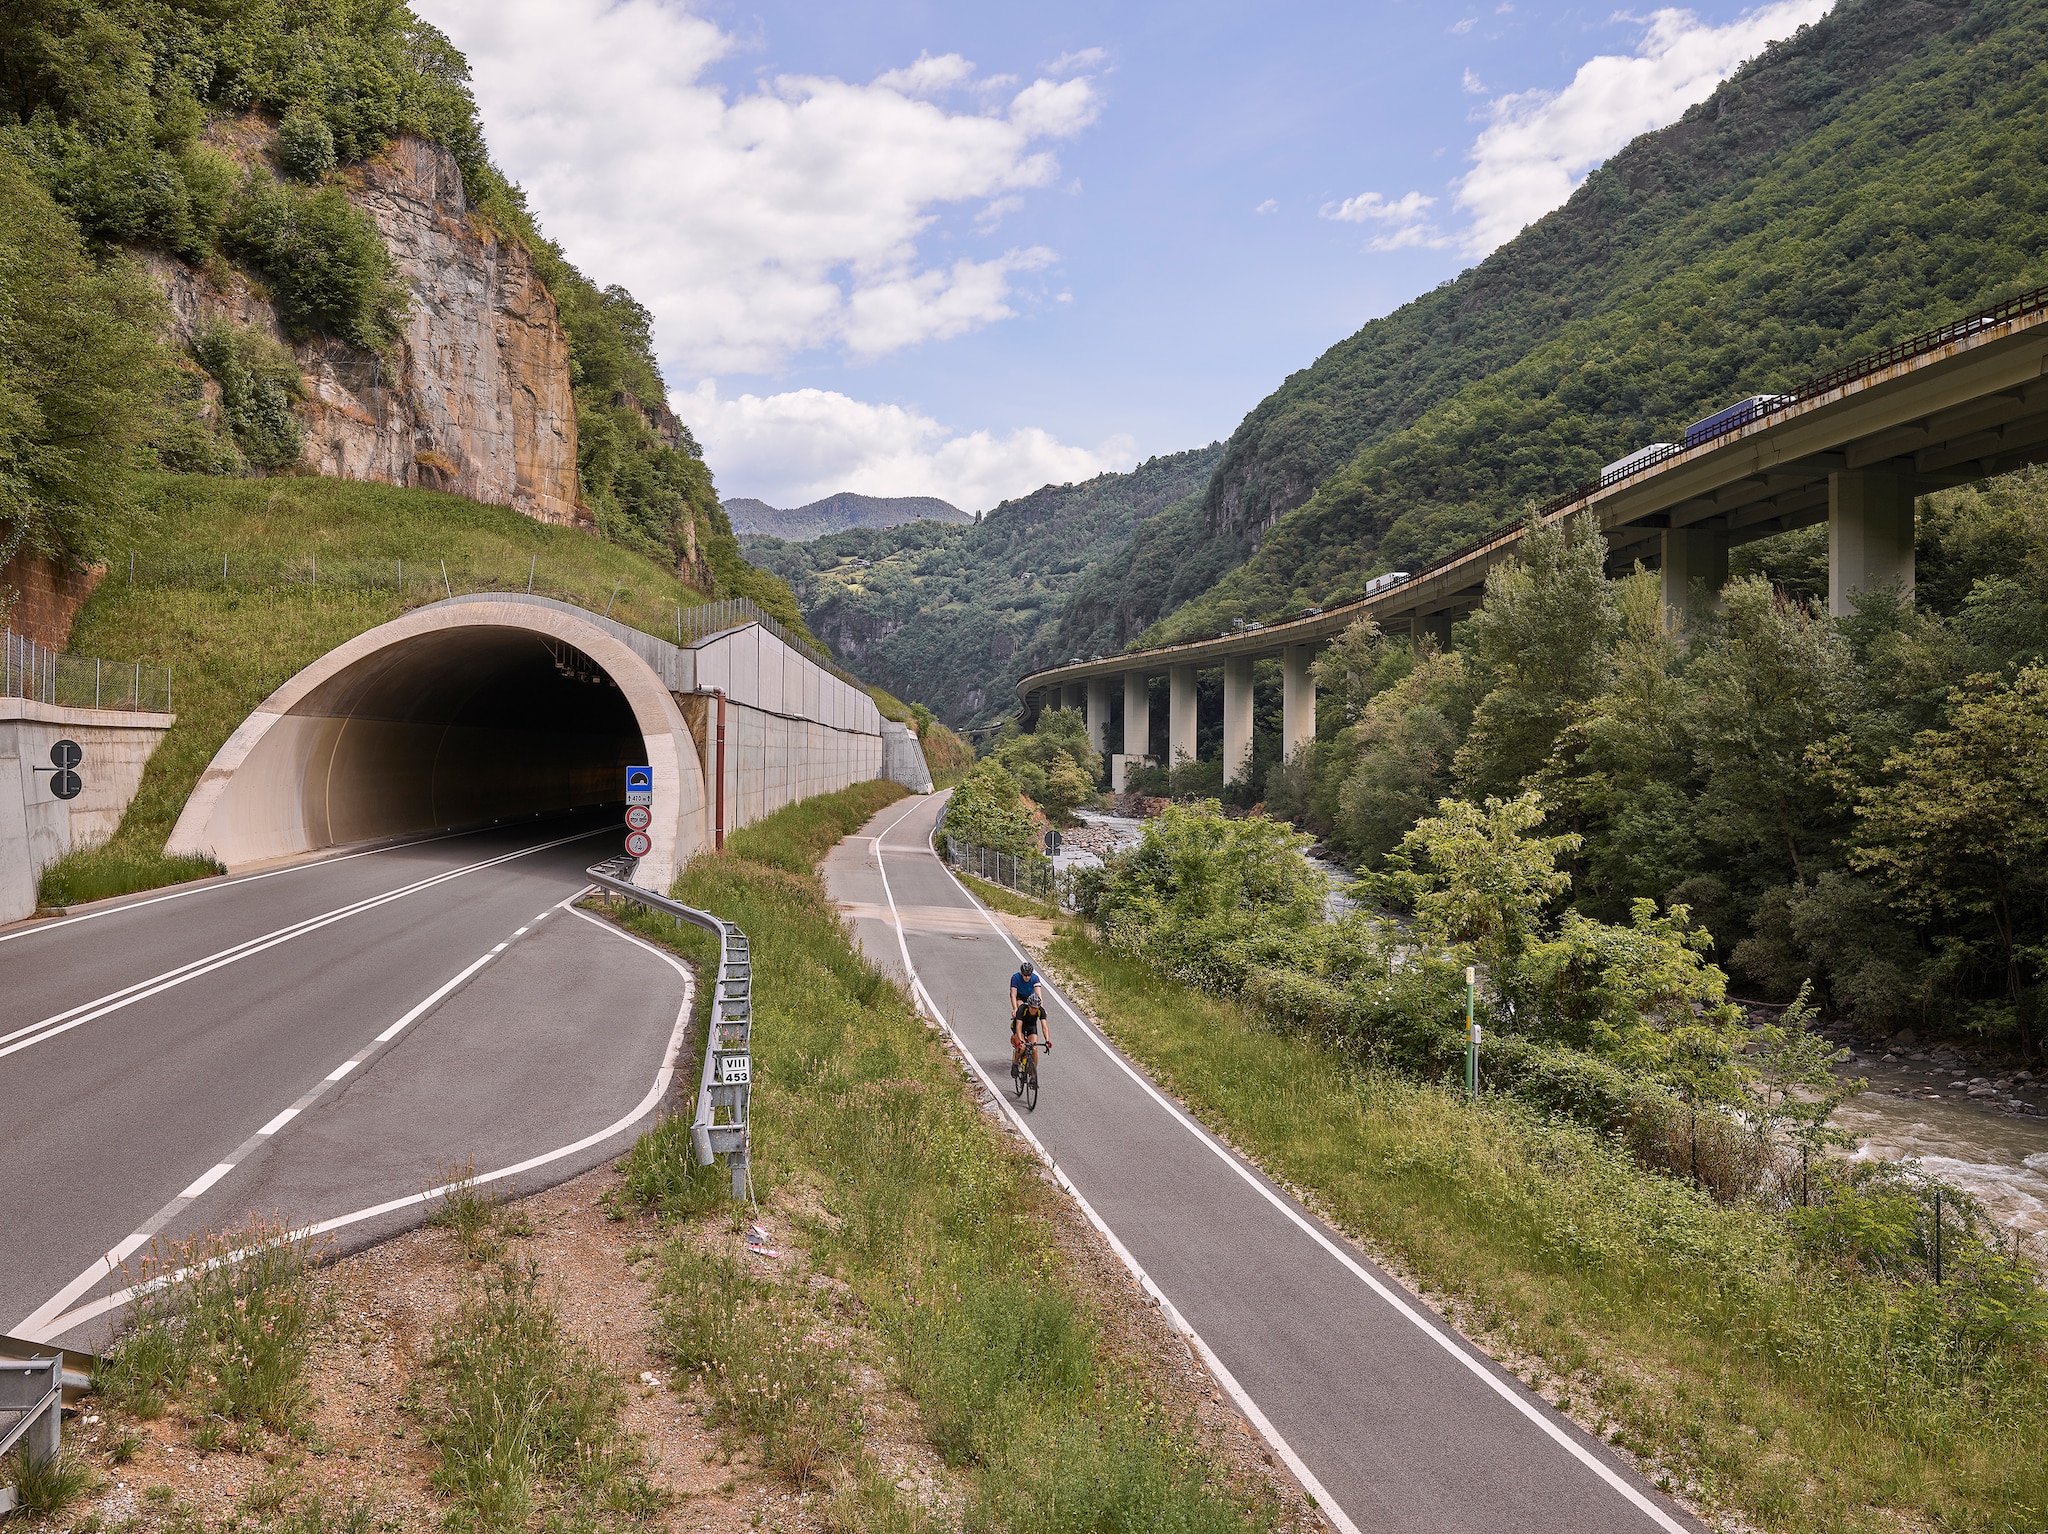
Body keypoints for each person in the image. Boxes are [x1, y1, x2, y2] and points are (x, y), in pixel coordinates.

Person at [1010, 959, 1051, 1077]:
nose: (1027, 977)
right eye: (1025, 975)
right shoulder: (1015, 978)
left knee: (1034, 1049)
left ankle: (1033, 1076)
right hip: (1020, 1000)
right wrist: (1015, 1009)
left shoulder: (1035, 979)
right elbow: (1013, 994)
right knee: (1022, 1047)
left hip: (1032, 999)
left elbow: (1044, 1027)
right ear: (1021, 973)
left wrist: (1041, 1008)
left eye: (1029, 975)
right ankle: (1015, 1063)